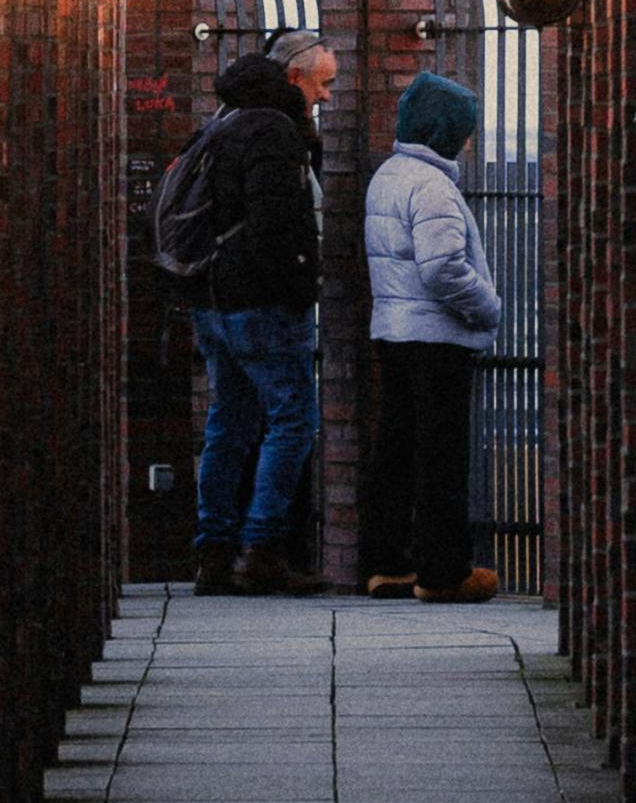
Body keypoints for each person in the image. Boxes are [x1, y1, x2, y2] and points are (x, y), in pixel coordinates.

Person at [183, 36, 331, 594]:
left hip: (213, 301)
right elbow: (274, 223)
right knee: (293, 421)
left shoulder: (224, 121)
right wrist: (299, 284)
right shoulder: (273, 130)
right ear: (294, 78)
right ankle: (261, 548)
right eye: (322, 83)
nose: (325, 96)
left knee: (231, 420)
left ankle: (214, 553)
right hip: (261, 304)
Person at [360, 71, 503, 602]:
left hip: (393, 332)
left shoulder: (389, 175)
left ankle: (386, 563)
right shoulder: (433, 185)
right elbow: (444, 269)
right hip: (436, 338)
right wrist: (489, 308)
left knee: (395, 450)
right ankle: (443, 571)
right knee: (442, 457)